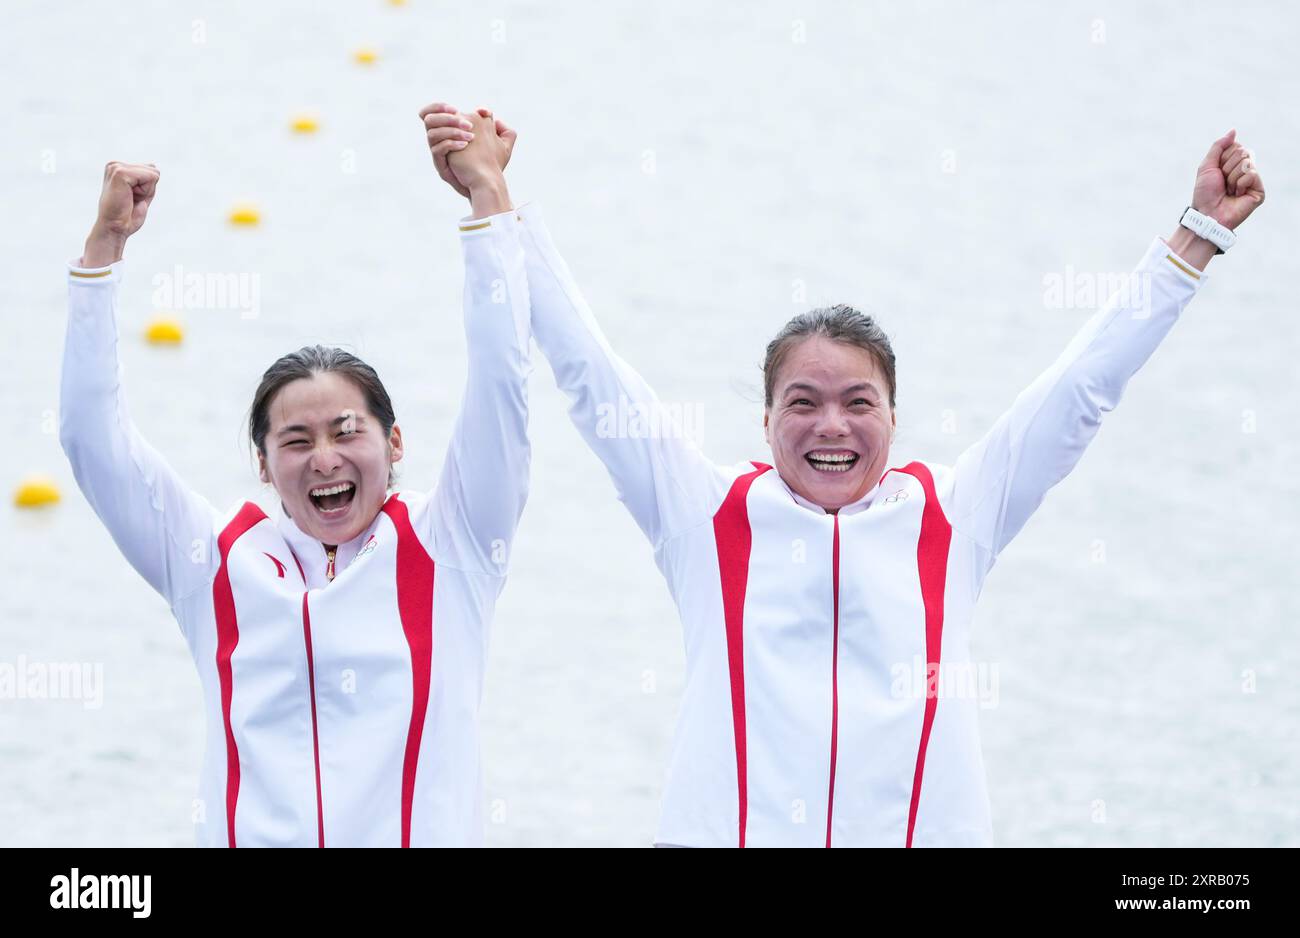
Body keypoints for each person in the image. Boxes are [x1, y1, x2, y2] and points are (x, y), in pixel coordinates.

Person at [427, 112, 1265, 846]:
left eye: (858, 402)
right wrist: (493, 203)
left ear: (894, 422)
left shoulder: (955, 514)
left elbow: (1083, 387)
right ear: (764, 422)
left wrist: (1196, 238)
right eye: (803, 402)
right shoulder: (706, 514)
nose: (832, 426)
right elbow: (588, 369)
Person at [58, 102, 530, 847]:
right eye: (296, 441)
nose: (325, 459)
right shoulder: (213, 562)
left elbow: (502, 381)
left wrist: (488, 200)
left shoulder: (456, 545)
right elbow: (91, 440)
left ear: (395, 442)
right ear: (265, 466)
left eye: (348, 432)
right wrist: (104, 247)